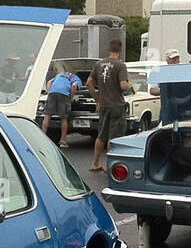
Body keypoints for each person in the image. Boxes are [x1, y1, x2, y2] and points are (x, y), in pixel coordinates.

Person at [88, 38, 131, 172]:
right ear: (120, 50)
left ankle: (95, 163)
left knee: (101, 135)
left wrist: (97, 99)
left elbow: (89, 82)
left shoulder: (99, 64)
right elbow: (123, 86)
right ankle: (109, 165)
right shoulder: (120, 65)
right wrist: (128, 84)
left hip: (104, 104)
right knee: (114, 136)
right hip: (116, 105)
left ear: (109, 49)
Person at [41, 64, 82, 148]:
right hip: (64, 95)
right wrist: (71, 97)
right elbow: (74, 86)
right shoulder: (77, 79)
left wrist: (49, 92)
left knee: (47, 115)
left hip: (52, 93)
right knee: (63, 118)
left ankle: (42, 137)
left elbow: (49, 82)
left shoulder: (60, 74)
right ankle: (63, 141)